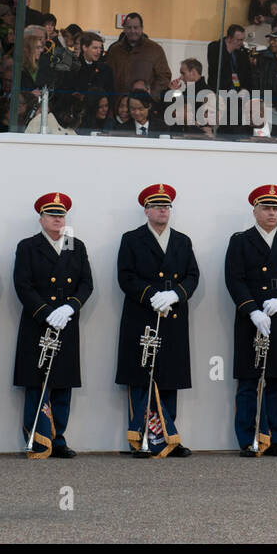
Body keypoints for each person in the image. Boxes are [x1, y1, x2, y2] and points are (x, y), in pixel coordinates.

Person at [116, 184, 200, 457]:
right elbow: (125, 276)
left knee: (168, 377)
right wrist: (151, 295)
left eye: (167, 206)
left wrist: (176, 294)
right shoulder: (131, 239)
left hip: (172, 316)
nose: (164, 210)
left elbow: (192, 275)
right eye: (158, 206)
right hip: (142, 315)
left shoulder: (182, 240)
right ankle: (140, 438)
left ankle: (167, 436)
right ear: (146, 210)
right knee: (141, 377)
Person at [225, 185, 277, 456]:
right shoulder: (240, 241)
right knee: (249, 383)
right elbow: (234, 279)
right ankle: (248, 440)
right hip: (251, 320)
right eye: (266, 208)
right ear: (255, 211)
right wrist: (252, 310)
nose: (272, 213)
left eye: (275, 209)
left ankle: (274, 438)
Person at [13, 192, 93, 459]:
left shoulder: (75, 245)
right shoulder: (28, 246)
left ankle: (58, 438)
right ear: (41, 218)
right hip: (39, 322)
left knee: (62, 383)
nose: (58, 219)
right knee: (36, 382)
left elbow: (86, 284)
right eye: (52, 215)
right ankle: (37, 436)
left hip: (66, 322)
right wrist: (46, 312)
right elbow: (22, 285)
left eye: (61, 215)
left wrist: (70, 306)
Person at [104, 12, 171, 96]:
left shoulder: (155, 49)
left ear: (142, 28)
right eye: (129, 28)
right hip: (120, 104)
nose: (132, 31)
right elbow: (107, 77)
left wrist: (151, 95)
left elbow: (164, 76)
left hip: (145, 105)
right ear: (124, 29)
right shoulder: (115, 50)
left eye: (136, 27)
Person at [207, 24, 254, 93]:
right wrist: (229, 51)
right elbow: (216, 67)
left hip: (237, 92)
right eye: (239, 40)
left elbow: (247, 73)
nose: (241, 43)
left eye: (242, 40)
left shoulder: (242, 51)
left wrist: (245, 88)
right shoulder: (215, 47)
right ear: (229, 38)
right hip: (220, 91)